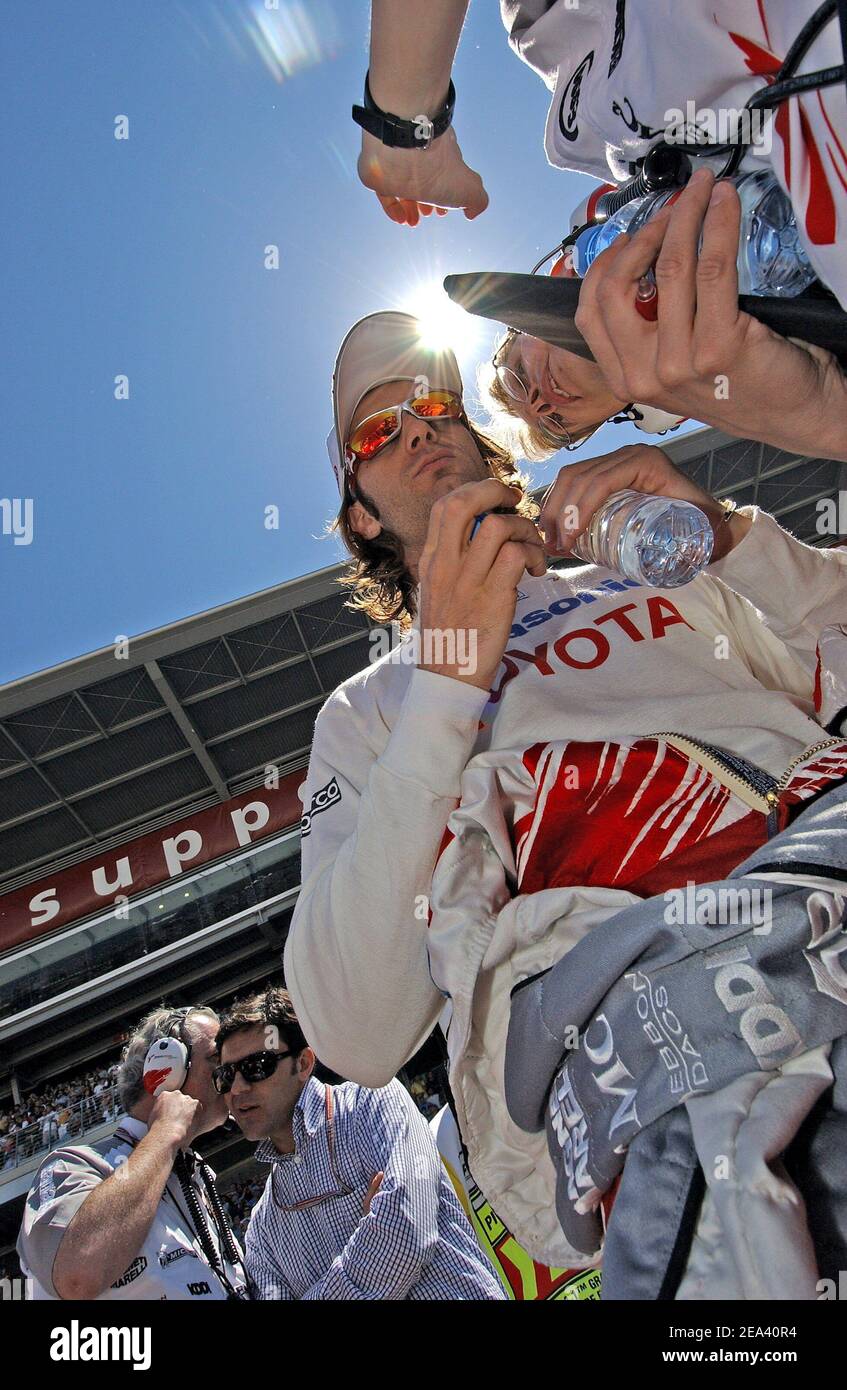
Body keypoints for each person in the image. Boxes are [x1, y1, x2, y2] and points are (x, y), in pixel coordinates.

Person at [282, 309, 847, 1280]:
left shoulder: (656, 572)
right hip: (652, 995)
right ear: (361, 517)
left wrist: (729, 538)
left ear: (478, 437)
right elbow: (355, 1027)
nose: (418, 427)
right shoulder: (368, 711)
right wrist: (449, 684)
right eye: (379, 430)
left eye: (433, 404)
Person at [358, 2, 847, 462]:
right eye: (555, 429)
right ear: (622, 414)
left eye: (517, 376)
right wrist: (824, 418)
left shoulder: (591, 107)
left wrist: (404, 127)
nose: (542, 404)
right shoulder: (791, 372)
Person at [216, 985, 505, 1300]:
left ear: (303, 1064)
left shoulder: (374, 1101)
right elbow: (395, 1242)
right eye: (226, 1076)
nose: (238, 1088)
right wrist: (373, 1233)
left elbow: (408, 1230)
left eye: (256, 1067)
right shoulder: (261, 1231)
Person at [17, 1005, 249, 1301]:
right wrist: (165, 1131)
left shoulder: (193, 1173)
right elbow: (76, 1276)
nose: (231, 1075)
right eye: (218, 1061)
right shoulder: (72, 1166)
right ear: (167, 1067)